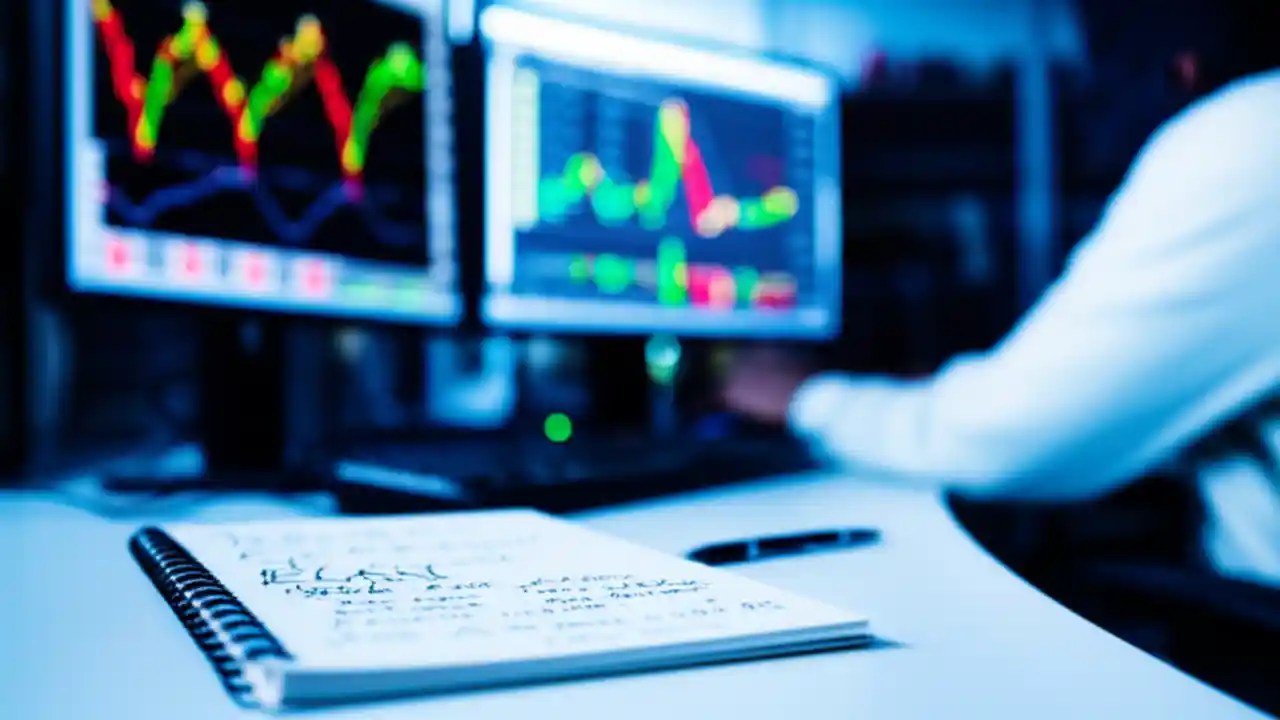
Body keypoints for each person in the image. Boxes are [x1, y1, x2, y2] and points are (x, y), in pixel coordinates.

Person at [724, 0, 1280, 586]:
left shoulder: (1248, 137)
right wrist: (963, 392)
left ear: (1182, 69)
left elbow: (1010, 444)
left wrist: (805, 399)